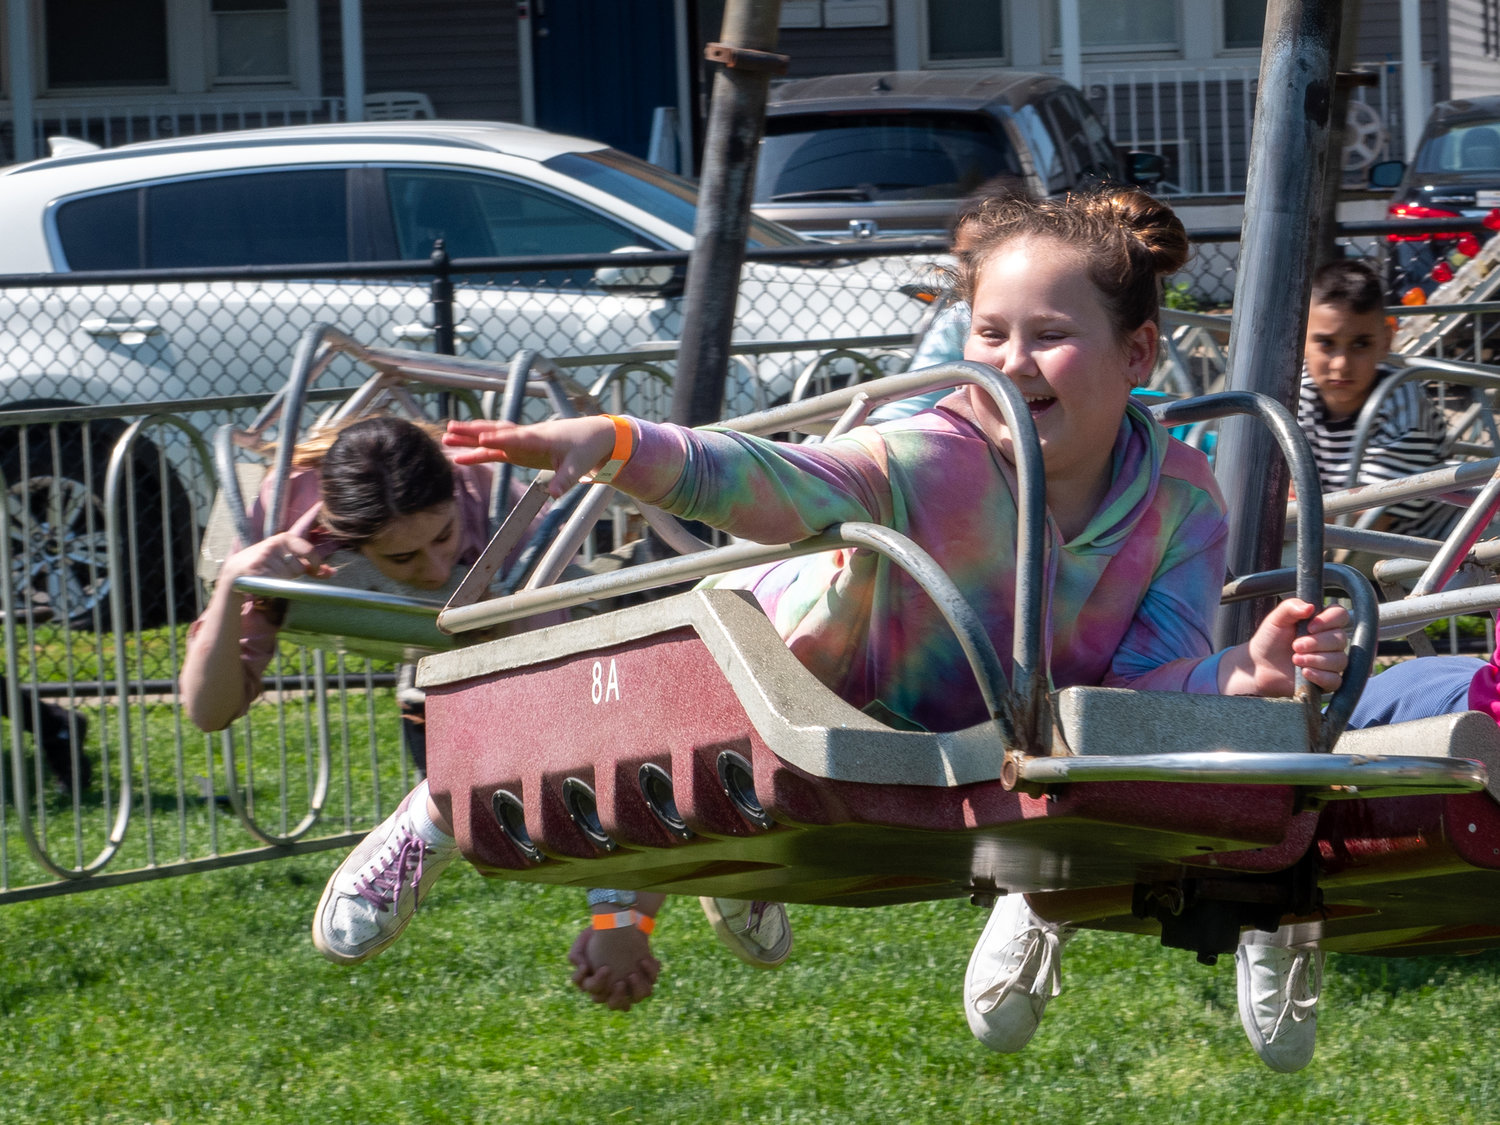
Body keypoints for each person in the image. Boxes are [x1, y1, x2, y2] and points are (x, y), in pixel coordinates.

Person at [432, 188, 1350, 1043]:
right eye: (988, 332)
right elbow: (773, 483)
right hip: (798, 691)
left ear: (1138, 353)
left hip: (972, 735)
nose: (1009, 363)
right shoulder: (928, 454)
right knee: (659, 788)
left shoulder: (1182, 496)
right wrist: (617, 443)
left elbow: (1143, 684)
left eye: (1050, 334)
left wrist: (1244, 673)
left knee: (1125, 770)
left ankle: (1015, 902)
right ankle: (425, 824)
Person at [183, 415, 786, 1000]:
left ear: (454, 502)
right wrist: (235, 580)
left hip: (544, 668)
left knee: (660, 732)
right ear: (349, 541)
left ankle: (733, 853)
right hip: (440, 685)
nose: (435, 567)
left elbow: (574, 728)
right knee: (514, 803)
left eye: (443, 538)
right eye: (402, 560)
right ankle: (433, 818)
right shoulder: (286, 513)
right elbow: (209, 709)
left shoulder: (498, 507)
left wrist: (619, 920)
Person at [1297, 257, 1456, 542]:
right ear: (1300, 340)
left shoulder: (1403, 413)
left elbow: (1370, 522)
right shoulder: (1301, 393)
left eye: (1361, 344)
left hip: (1420, 561)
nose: (1341, 365)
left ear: (1385, 341)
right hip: (1332, 544)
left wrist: (1284, 508)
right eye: (1326, 343)